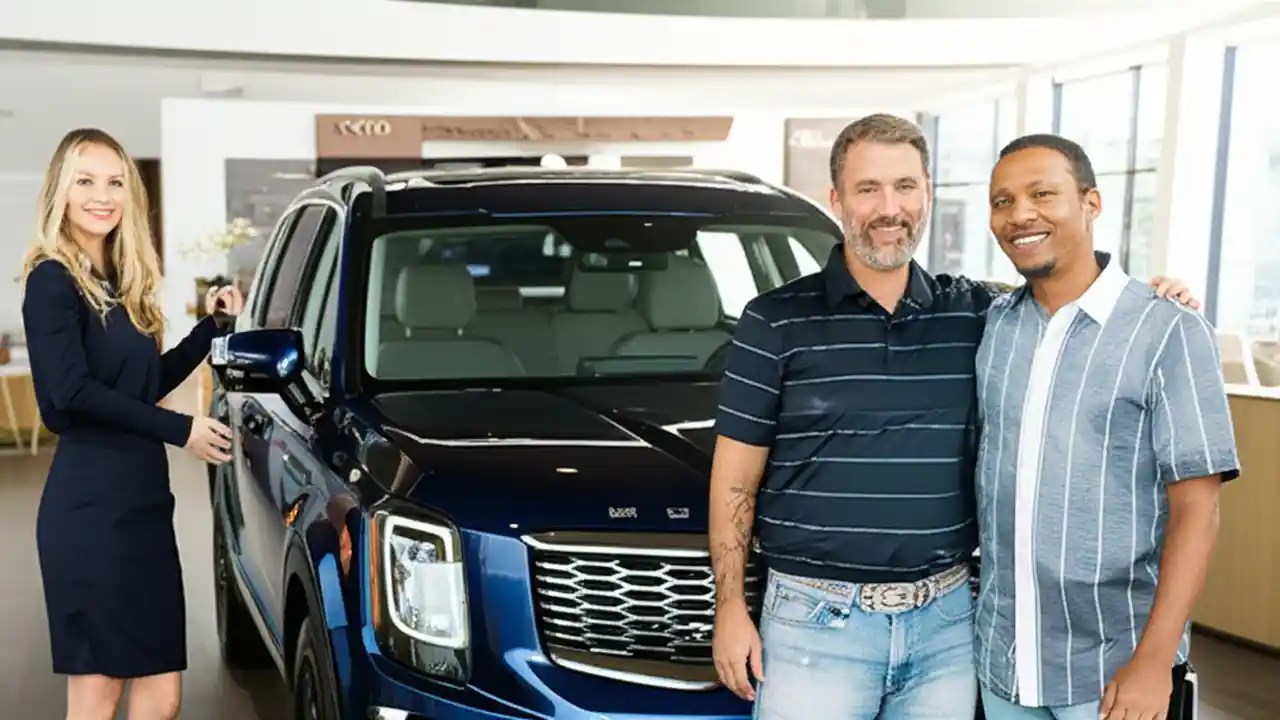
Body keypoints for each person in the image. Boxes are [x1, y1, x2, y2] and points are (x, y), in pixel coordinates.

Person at [708, 114, 1201, 720]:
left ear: (927, 194)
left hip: (946, 625)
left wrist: (1155, 300)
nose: (889, 207)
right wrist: (728, 606)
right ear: (836, 200)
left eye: (905, 186)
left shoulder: (979, 313)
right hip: (815, 626)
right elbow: (734, 479)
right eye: (868, 189)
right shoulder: (774, 320)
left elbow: (1066, 299)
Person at [973, 134, 1240, 720]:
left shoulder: (1168, 331)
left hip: (1114, 674)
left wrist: (1153, 662)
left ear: (1091, 203)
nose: (1021, 215)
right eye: (1002, 201)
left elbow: (1199, 511)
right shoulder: (992, 328)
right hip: (1001, 664)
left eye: (1043, 194)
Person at [20, 128, 244, 720]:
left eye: (116, 181)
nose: (103, 195)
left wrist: (209, 330)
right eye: (86, 180)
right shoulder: (51, 280)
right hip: (91, 513)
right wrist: (181, 431)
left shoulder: (118, 285)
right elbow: (69, 394)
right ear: (60, 193)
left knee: (162, 697)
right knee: (98, 697)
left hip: (142, 506)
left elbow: (140, 387)